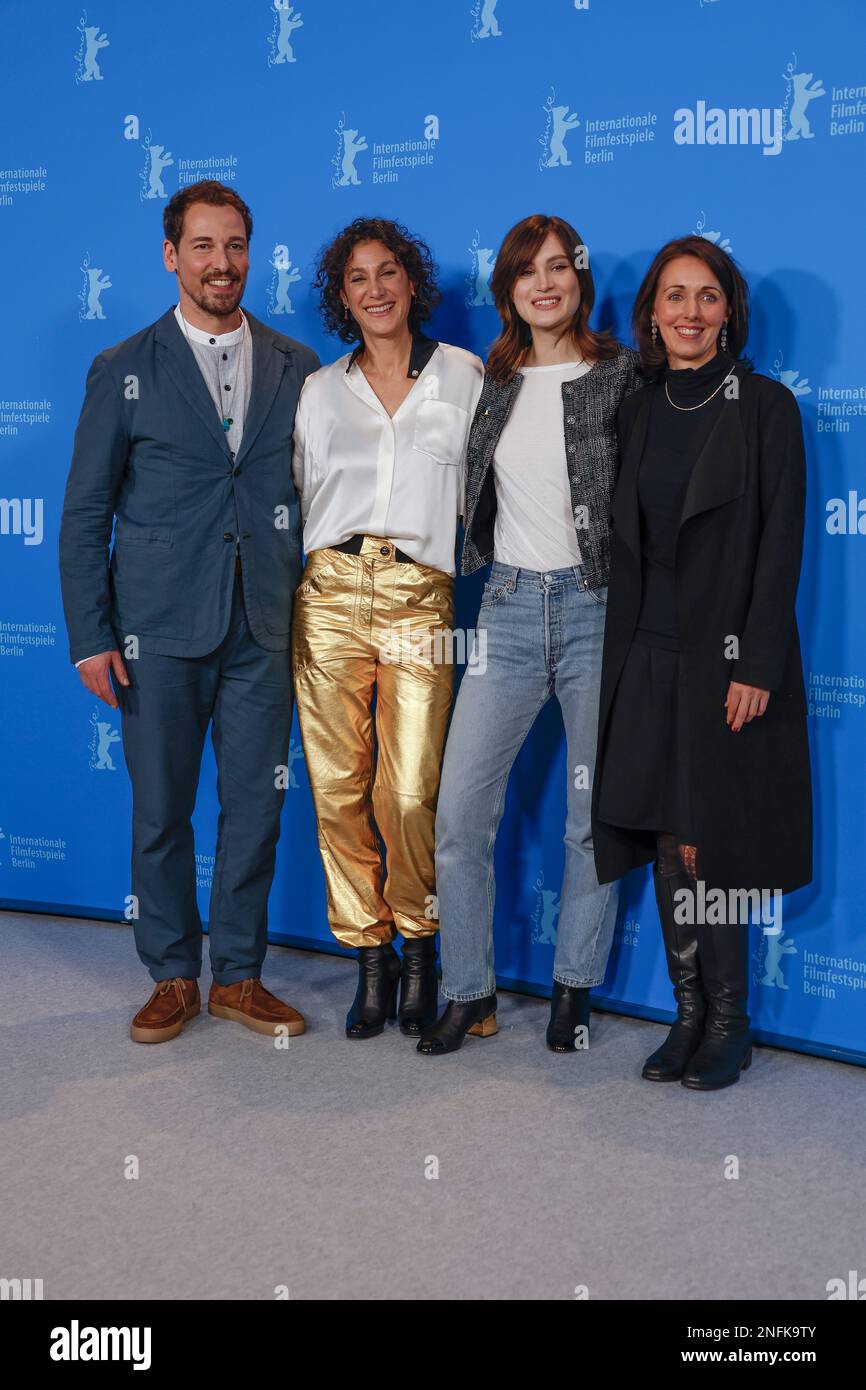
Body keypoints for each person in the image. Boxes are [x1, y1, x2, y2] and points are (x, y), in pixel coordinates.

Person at [59, 180, 319, 1043]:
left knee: (256, 807)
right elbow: (86, 512)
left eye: (236, 246)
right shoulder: (123, 368)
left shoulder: (297, 365)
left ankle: (238, 976)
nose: (222, 263)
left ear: (252, 254)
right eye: (203, 246)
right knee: (161, 808)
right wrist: (91, 637)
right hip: (156, 630)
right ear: (172, 255)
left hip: (263, 628)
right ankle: (172, 973)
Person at [417, 213, 642, 1057]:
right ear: (508, 288)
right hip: (507, 611)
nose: (545, 283)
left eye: (559, 267)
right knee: (459, 815)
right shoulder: (492, 380)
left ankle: (572, 990)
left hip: (597, 612)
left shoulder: (622, 375)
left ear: (578, 278)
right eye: (527, 272)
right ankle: (467, 992)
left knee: (590, 820)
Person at [592, 235, 812, 1091]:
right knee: (660, 828)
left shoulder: (765, 407)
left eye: (707, 296)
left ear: (729, 312)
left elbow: (780, 545)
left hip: (724, 654)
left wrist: (755, 664)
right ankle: (687, 1014)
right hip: (645, 646)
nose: (690, 312)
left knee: (706, 840)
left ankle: (730, 1020)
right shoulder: (640, 407)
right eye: (674, 296)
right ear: (652, 310)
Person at [291, 217, 483, 1039]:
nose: (375, 288)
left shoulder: (464, 375)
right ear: (343, 297)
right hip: (330, 589)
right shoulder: (320, 388)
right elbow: (302, 490)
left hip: (419, 594)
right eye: (357, 278)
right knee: (337, 790)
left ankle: (420, 945)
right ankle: (369, 957)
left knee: (409, 792)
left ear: (412, 283)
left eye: (388, 272)